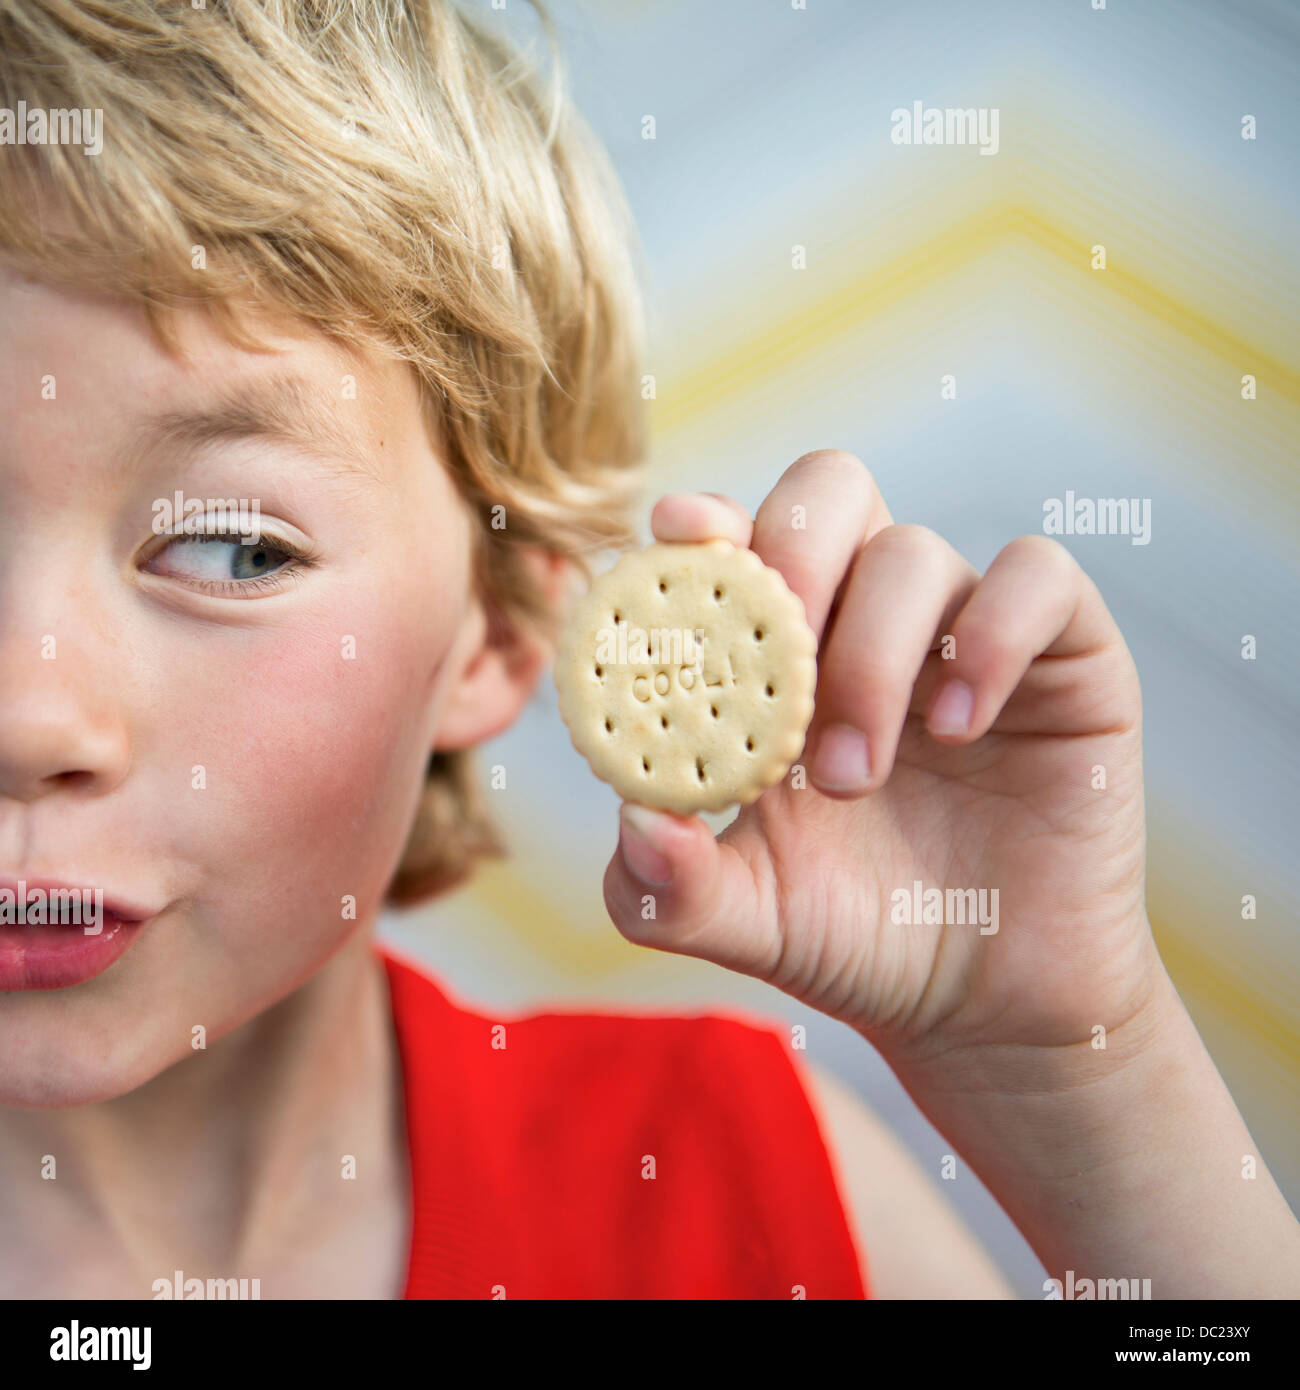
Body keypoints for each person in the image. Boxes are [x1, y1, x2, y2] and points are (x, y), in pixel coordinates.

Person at [0, 0, 1295, 1299]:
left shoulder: (736, 1179)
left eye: (232, 548)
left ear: (498, 630)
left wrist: (1076, 1067)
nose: (29, 718)